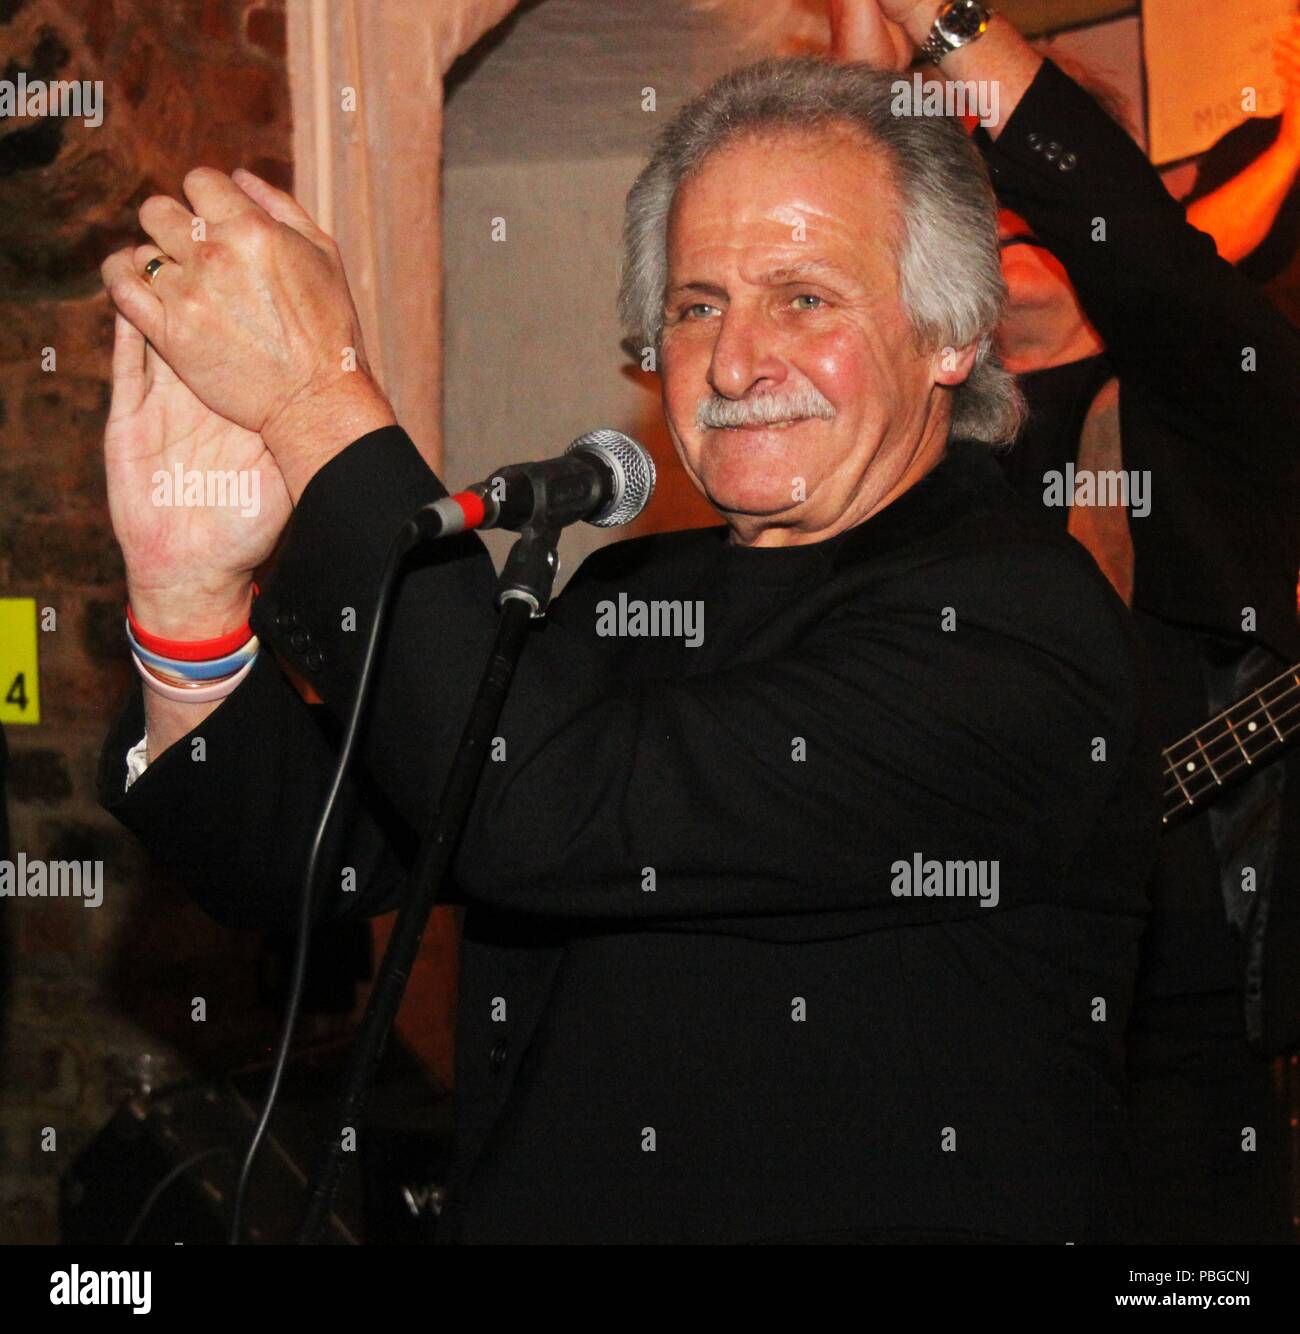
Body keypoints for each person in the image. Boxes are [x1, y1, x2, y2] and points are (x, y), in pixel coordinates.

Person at [96, 51, 1159, 1242]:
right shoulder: (635, 590)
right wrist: (185, 596)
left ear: (950, 336)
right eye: (697, 303)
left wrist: (315, 404)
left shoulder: (1013, 622)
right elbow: (301, 859)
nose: (736, 359)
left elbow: (537, 806)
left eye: (804, 296)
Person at [832, 0, 1300, 1242]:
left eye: (1016, 173)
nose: (1006, 214)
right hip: (951, 1030)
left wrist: (946, 29)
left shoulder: (1204, 408)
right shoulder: (890, 460)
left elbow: (1143, 253)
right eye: (970, 197)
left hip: (1176, 1027)